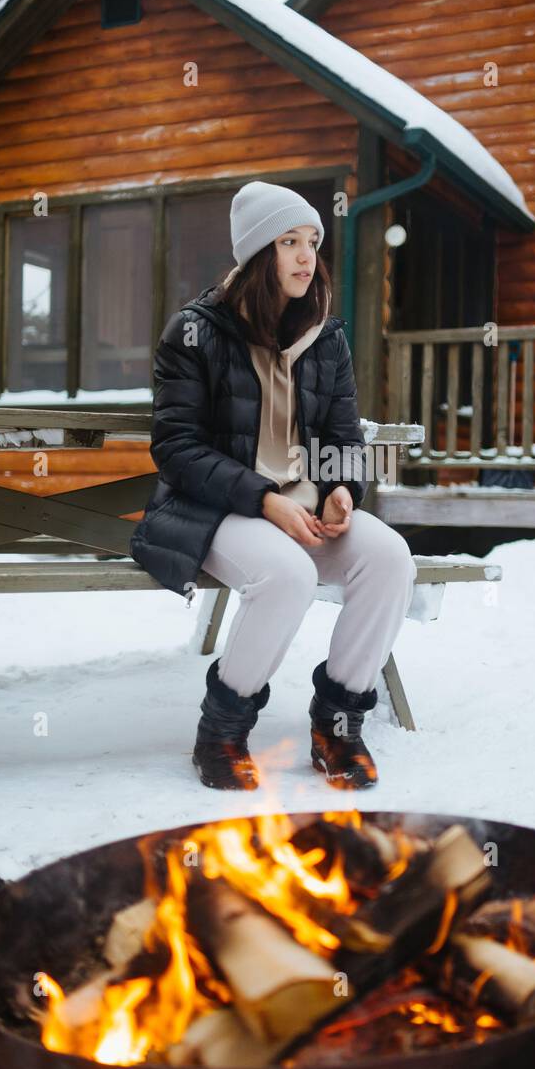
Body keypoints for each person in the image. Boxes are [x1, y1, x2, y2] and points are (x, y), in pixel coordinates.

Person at [130, 180, 417, 792]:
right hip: (214, 508)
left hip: (303, 508)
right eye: (289, 241)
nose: (306, 255)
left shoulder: (326, 337)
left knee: (390, 557)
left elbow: (342, 438)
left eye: (312, 241)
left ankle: (337, 725)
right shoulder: (194, 332)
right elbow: (176, 450)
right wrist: (265, 500)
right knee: (288, 574)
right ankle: (223, 734)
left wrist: (342, 489)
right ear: (259, 254)